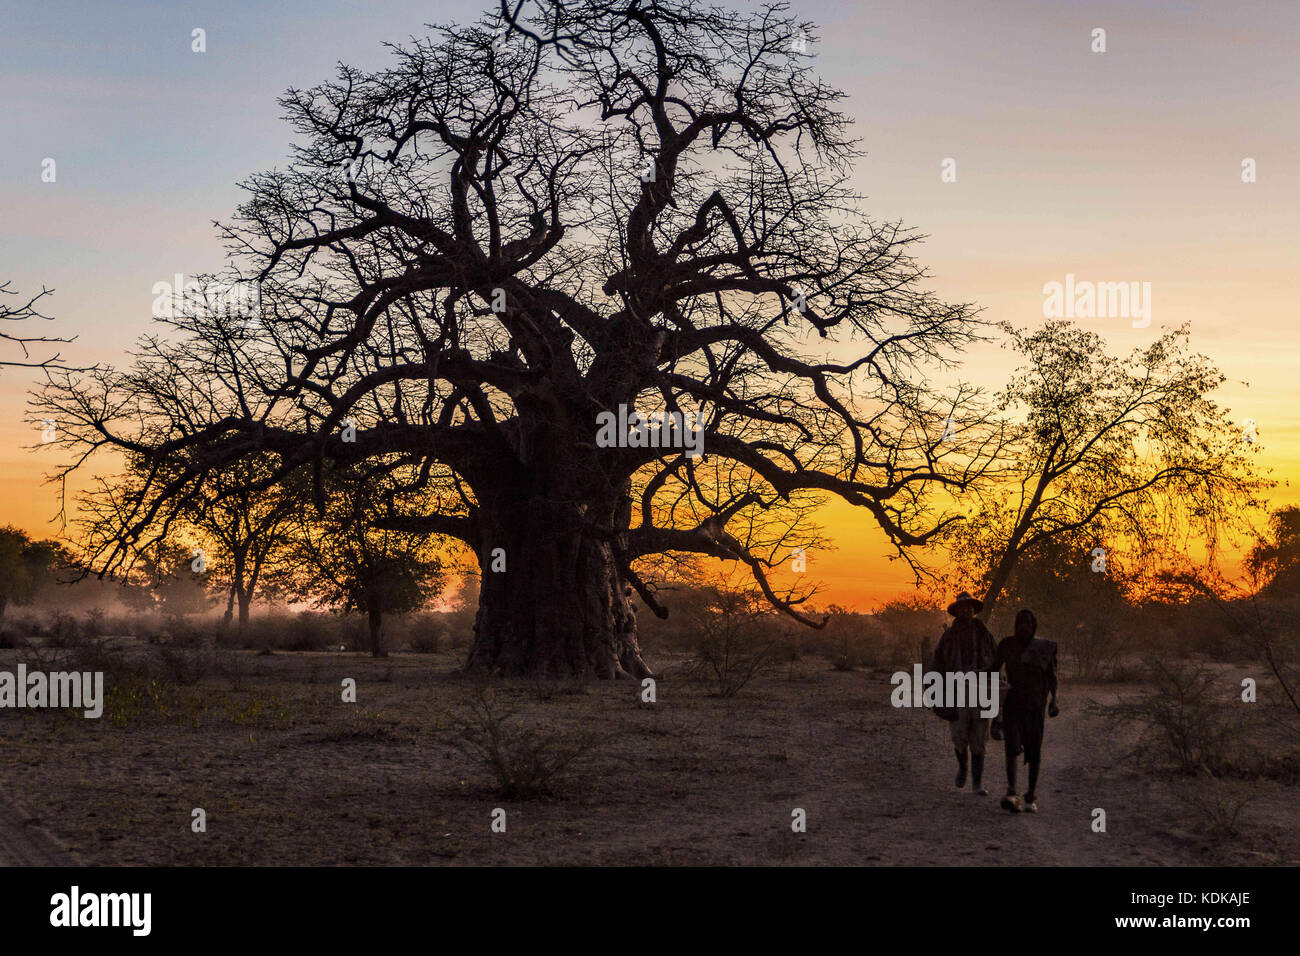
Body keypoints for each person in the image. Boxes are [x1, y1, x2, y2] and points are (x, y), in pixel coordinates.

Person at [932, 591, 998, 795]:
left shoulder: (984, 634)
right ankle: (962, 767)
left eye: (969, 607)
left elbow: (996, 661)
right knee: (959, 737)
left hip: (980, 691)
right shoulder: (949, 636)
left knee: (979, 739)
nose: (966, 610)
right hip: (956, 690)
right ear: (957, 611)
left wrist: (996, 685)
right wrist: (935, 691)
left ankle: (977, 784)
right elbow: (938, 664)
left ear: (974, 610)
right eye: (962, 608)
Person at [995, 609, 1059, 813]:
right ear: (1014, 626)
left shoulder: (1044, 648)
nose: (1023, 627)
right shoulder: (1007, 645)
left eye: (1028, 624)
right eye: (1020, 623)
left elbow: (1052, 677)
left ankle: (1031, 795)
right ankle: (1012, 791)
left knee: (1034, 751)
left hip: (1036, 706)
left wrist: (1053, 701)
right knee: (1011, 747)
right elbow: (992, 669)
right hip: (1012, 704)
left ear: (1033, 627)